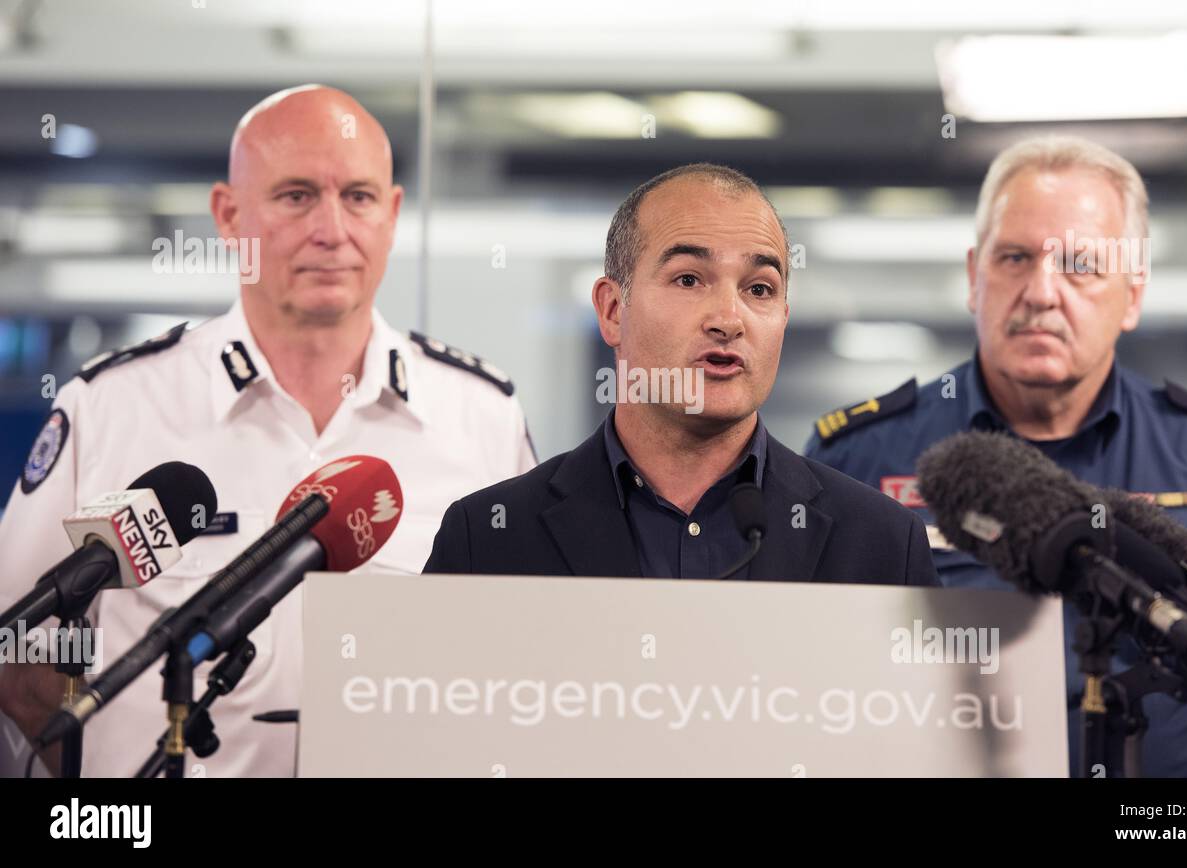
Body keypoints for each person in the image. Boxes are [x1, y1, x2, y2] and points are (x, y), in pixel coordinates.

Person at [0, 85, 535, 777]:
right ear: (228, 215)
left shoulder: (481, 416)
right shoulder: (115, 405)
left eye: (360, 198)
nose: (332, 230)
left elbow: (527, 656)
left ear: (394, 215)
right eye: (296, 196)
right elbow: (21, 658)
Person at [806, 134, 1187, 776]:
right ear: (973, 278)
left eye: (1081, 264)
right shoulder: (856, 458)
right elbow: (800, 678)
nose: (1041, 292)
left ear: (1134, 294)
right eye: (1014, 257)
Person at [425, 163, 936, 587]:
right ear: (612, 311)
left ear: (783, 315)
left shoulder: (883, 544)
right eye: (689, 279)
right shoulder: (487, 537)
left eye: (759, 289)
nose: (728, 319)